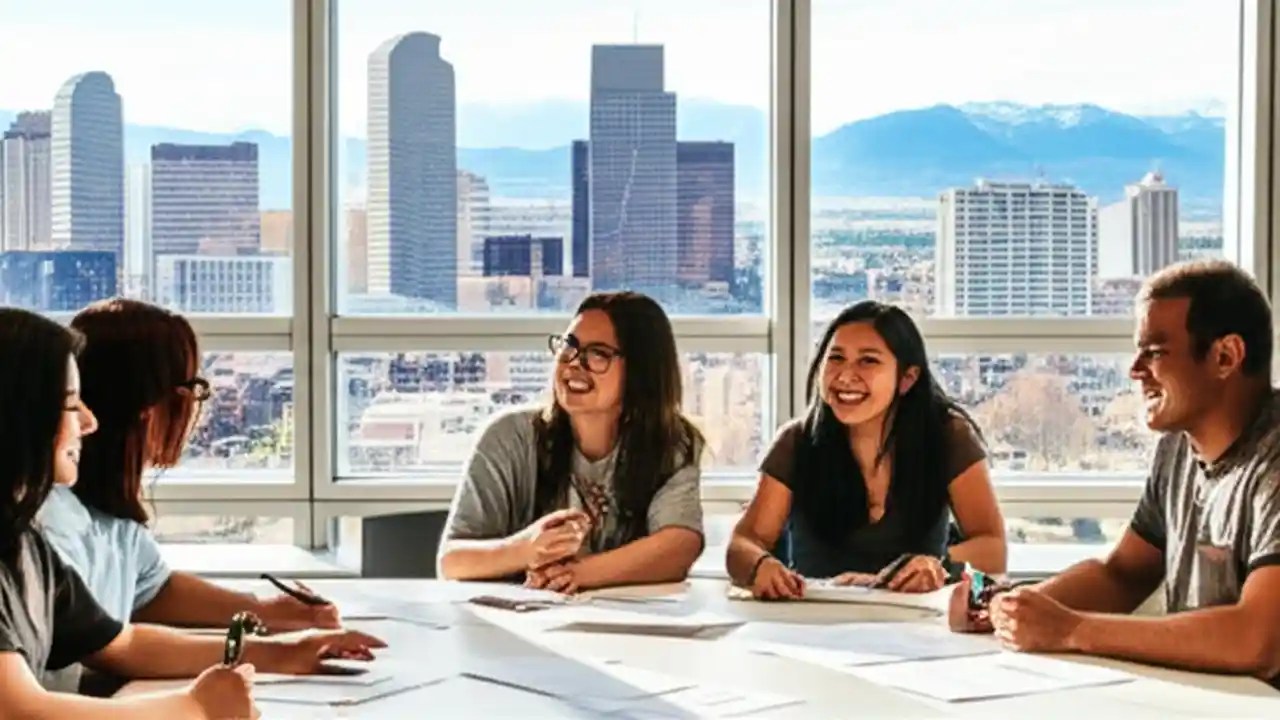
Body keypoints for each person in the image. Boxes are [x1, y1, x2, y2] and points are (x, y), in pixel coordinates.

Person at [0, 307, 383, 718]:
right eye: (71, 405)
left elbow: (122, 643)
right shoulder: (40, 530)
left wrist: (289, 652)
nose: (90, 422)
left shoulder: (26, 544)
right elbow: (18, 708)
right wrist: (193, 706)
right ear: (21, 415)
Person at [952, 260, 1280, 687]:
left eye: (1155, 352)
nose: (1135, 370)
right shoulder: (1177, 449)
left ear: (1225, 356)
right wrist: (1011, 609)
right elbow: (1122, 574)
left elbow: (1257, 640)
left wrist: (1072, 630)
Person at [37, 299, 339, 631]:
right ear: (149, 407)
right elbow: (105, 647)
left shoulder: (110, 517)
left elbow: (152, 590)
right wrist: (278, 651)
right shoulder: (54, 524)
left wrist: (266, 611)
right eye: (195, 387)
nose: (197, 407)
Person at [728, 301, 1006, 599]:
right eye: (836, 358)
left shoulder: (947, 435)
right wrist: (761, 565)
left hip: (916, 617)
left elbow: (992, 546)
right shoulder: (797, 441)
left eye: (868, 361)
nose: (845, 376)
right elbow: (744, 543)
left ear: (907, 378)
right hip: (818, 614)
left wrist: (938, 563)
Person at [438, 292, 706, 593]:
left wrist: (577, 574)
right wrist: (527, 549)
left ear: (640, 372)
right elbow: (452, 561)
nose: (574, 363)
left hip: (624, 618)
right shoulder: (508, 437)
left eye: (598, 354)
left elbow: (679, 546)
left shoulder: (672, 443)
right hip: (517, 615)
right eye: (569, 346)